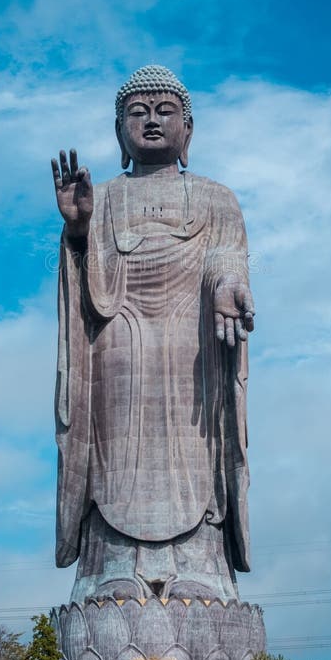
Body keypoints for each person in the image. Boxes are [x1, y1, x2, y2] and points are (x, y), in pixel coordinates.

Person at [52, 66, 254, 604]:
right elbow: (85, 285)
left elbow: (228, 257)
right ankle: (106, 572)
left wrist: (229, 285)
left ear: (189, 130)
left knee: (195, 444)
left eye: (166, 112)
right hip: (118, 342)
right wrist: (77, 228)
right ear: (120, 132)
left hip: (193, 344)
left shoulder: (217, 199)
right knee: (112, 449)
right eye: (137, 113)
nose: (152, 122)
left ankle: (202, 570)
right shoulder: (105, 199)